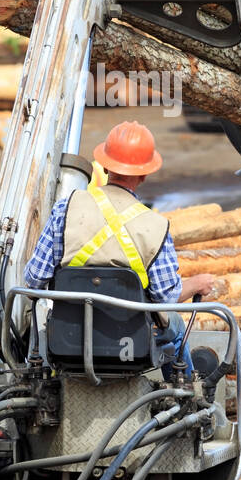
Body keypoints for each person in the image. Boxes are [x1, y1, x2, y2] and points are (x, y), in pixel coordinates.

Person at [23, 120, 214, 368]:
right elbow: (167, 297)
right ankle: (186, 397)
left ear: (103, 165)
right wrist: (197, 283)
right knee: (174, 327)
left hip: (67, 341)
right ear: (145, 174)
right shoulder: (156, 226)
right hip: (131, 346)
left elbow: (34, 278)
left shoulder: (66, 208)